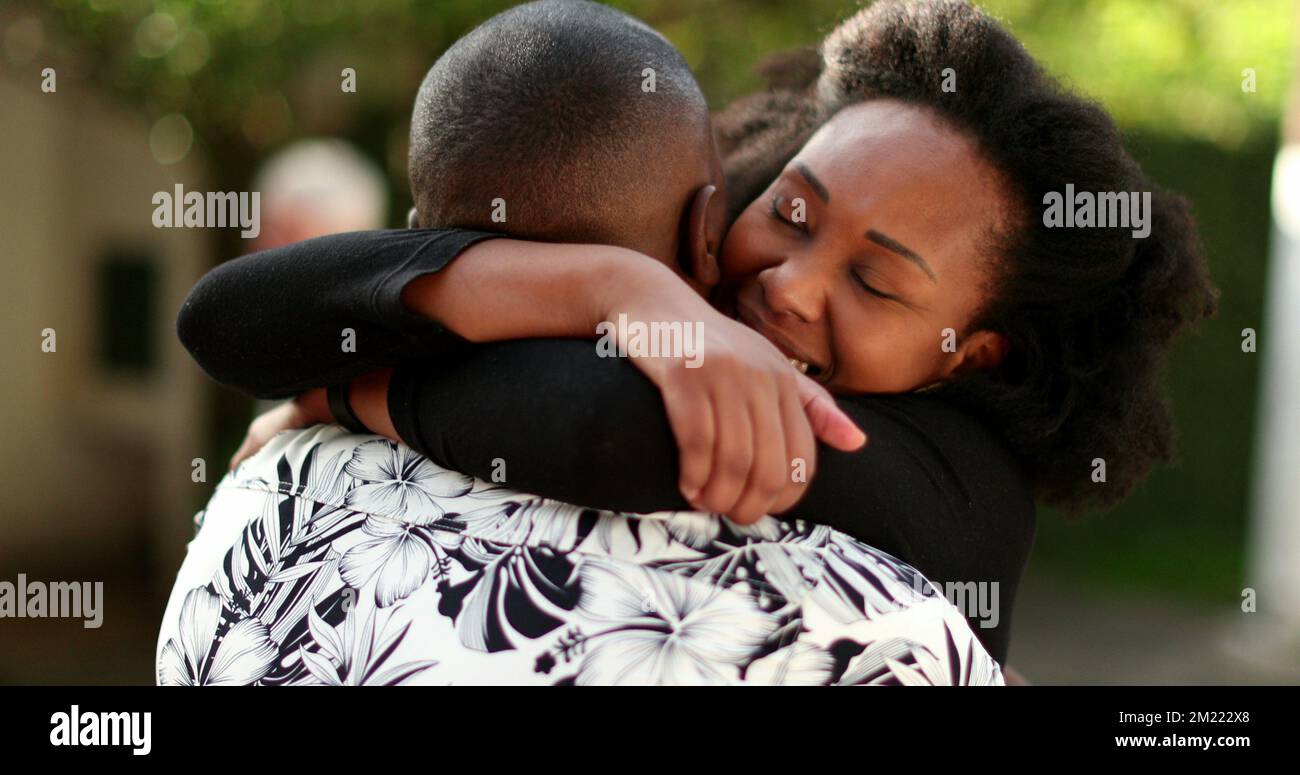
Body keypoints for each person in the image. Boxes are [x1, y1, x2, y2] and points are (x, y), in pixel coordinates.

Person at [174, 0, 1217, 668]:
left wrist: (347, 391)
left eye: (873, 280)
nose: (791, 288)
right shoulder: (673, 295)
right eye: (795, 215)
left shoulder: (959, 482)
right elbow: (225, 315)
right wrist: (620, 284)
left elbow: (614, 428)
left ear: (972, 351)